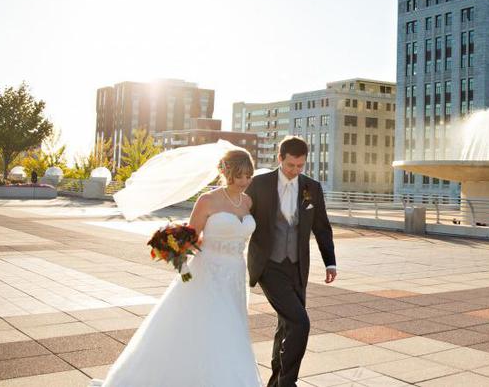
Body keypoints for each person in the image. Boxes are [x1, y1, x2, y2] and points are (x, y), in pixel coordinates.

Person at [93, 149, 262, 386]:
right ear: (226, 173)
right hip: (208, 273)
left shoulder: (248, 202)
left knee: (233, 330)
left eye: (249, 176)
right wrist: (178, 257)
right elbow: (191, 239)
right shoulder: (207, 200)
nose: (245, 182)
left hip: (235, 274)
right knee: (212, 328)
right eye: (240, 176)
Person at [246, 136, 337, 387]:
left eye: (300, 166)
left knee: (286, 325)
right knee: (300, 322)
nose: (295, 171)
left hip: (297, 267)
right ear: (279, 159)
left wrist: (330, 262)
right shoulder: (259, 184)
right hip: (268, 265)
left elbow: (322, 227)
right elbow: (239, 213)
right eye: (290, 166)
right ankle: (287, 383)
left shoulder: (312, 188)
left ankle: (276, 382)